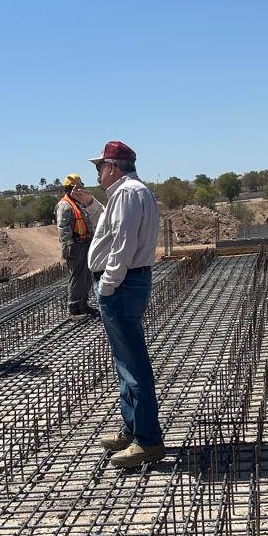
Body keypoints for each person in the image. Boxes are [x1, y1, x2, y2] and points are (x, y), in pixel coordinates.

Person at [87, 141, 164, 469]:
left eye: (99, 167)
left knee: (133, 364)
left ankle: (147, 440)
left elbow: (123, 244)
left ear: (113, 167)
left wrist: (107, 286)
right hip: (125, 283)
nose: (99, 173)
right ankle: (132, 429)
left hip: (121, 285)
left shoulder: (129, 193)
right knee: (125, 361)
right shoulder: (127, 194)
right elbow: (113, 229)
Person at [57, 172, 102, 319]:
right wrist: (69, 244)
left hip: (84, 243)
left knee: (86, 276)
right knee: (77, 277)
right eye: (76, 188)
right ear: (69, 189)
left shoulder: (78, 204)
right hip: (75, 246)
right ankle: (74, 308)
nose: (78, 191)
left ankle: (83, 304)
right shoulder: (65, 205)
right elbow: (63, 228)